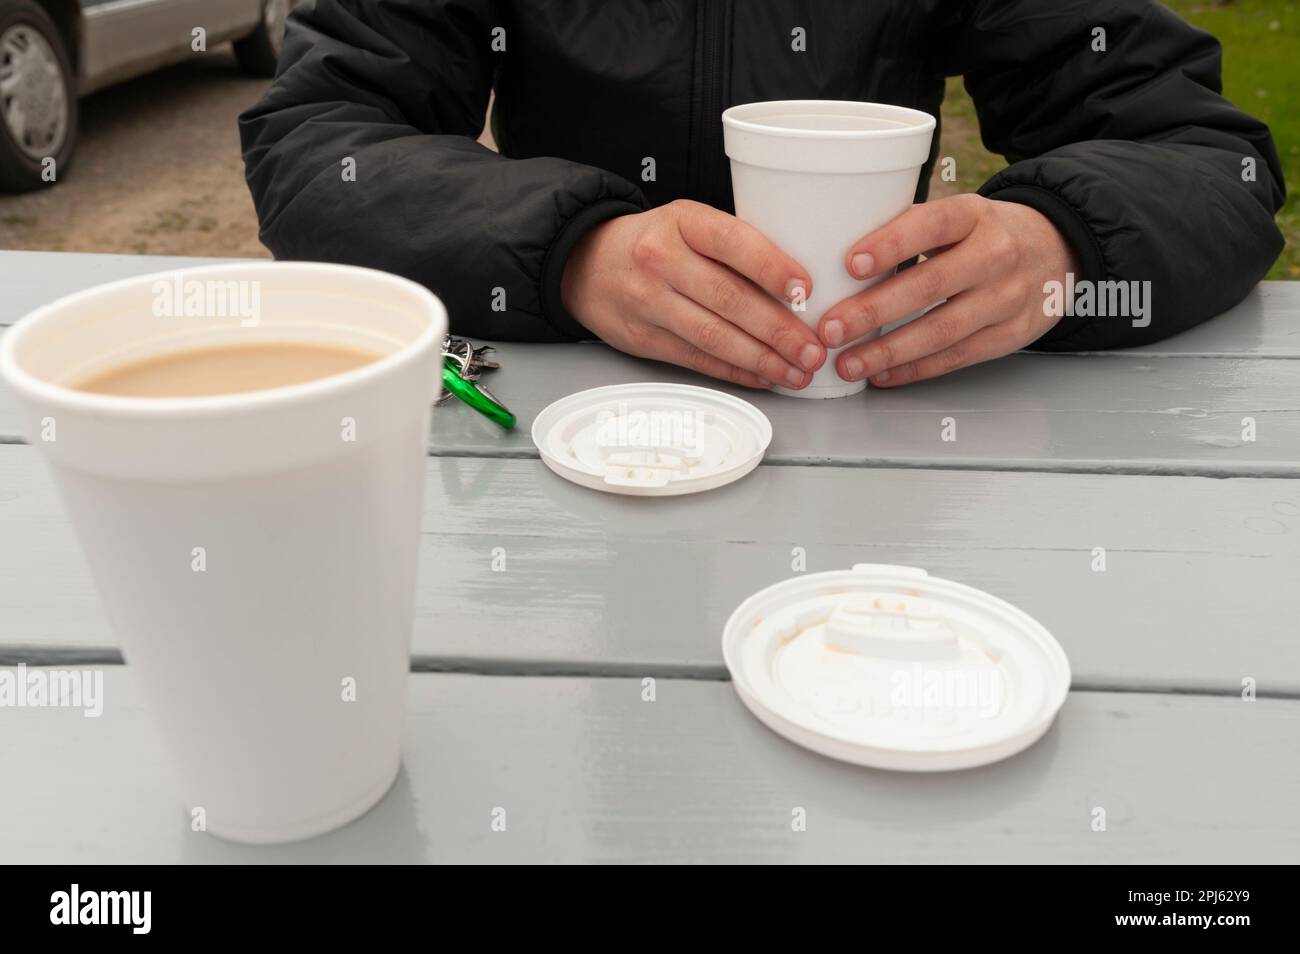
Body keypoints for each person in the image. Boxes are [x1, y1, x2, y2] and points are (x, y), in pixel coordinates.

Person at [239, 0, 1285, 391]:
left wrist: (1059, 246)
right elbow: (313, 142)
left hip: (878, 420)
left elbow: (1209, 158)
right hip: (566, 433)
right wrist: (574, 252)